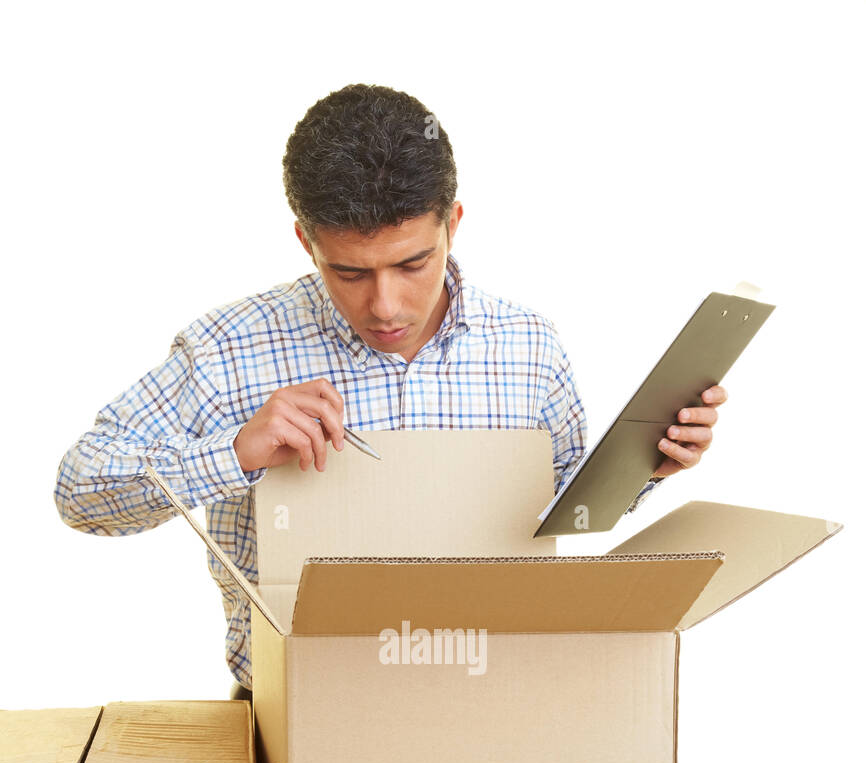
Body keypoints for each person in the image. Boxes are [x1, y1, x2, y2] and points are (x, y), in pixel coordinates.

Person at [55, 83, 727, 697]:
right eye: (349, 272)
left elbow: (560, 515)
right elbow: (79, 492)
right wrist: (235, 452)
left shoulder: (529, 347)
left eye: (413, 264)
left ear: (453, 223)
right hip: (296, 714)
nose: (385, 305)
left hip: (495, 703)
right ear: (305, 242)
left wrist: (649, 464)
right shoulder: (229, 348)